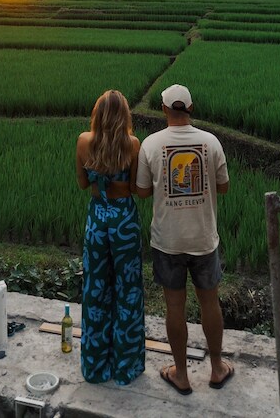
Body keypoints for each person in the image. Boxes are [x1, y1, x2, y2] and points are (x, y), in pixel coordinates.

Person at [136, 83, 233, 395]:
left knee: (174, 306)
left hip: (168, 240)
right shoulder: (210, 142)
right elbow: (224, 186)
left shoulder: (151, 144)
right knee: (210, 302)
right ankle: (217, 368)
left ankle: (181, 374)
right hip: (203, 238)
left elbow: (142, 191)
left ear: (164, 109)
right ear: (190, 108)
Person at [76, 89, 145, 385]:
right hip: (124, 221)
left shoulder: (84, 141)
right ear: (124, 116)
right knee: (128, 290)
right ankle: (125, 367)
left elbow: (82, 183)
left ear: (98, 114)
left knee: (95, 288)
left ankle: (94, 366)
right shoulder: (133, 144)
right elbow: (134, 188)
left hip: (97, 220)